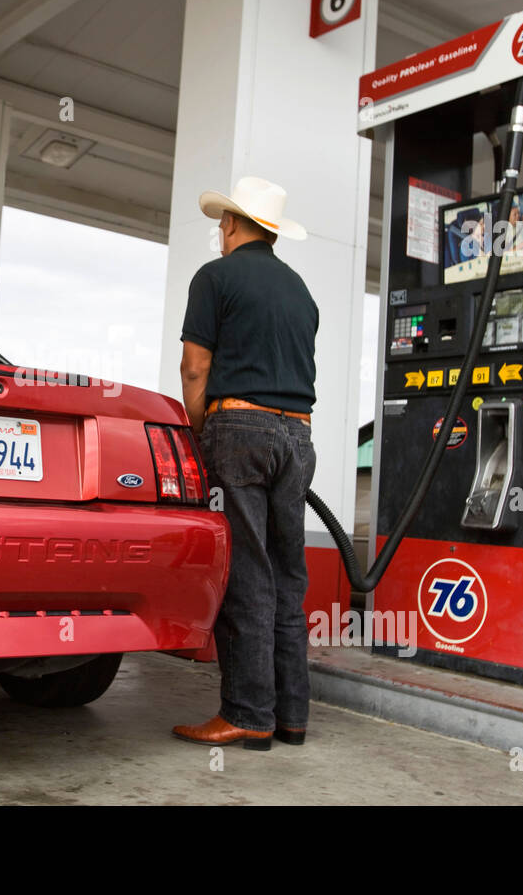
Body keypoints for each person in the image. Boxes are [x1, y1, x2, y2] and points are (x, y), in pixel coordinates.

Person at [171, 175, 318, 752]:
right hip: (299, 436)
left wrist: (201, 432)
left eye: (221, 223)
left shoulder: (216, 276)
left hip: (241, 430)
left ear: (232, 223)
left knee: (247, 577)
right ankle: (291, 717)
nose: (219, 230)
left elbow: (193, 369)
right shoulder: (301, 291)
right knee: (288, 577)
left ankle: (248, 714)